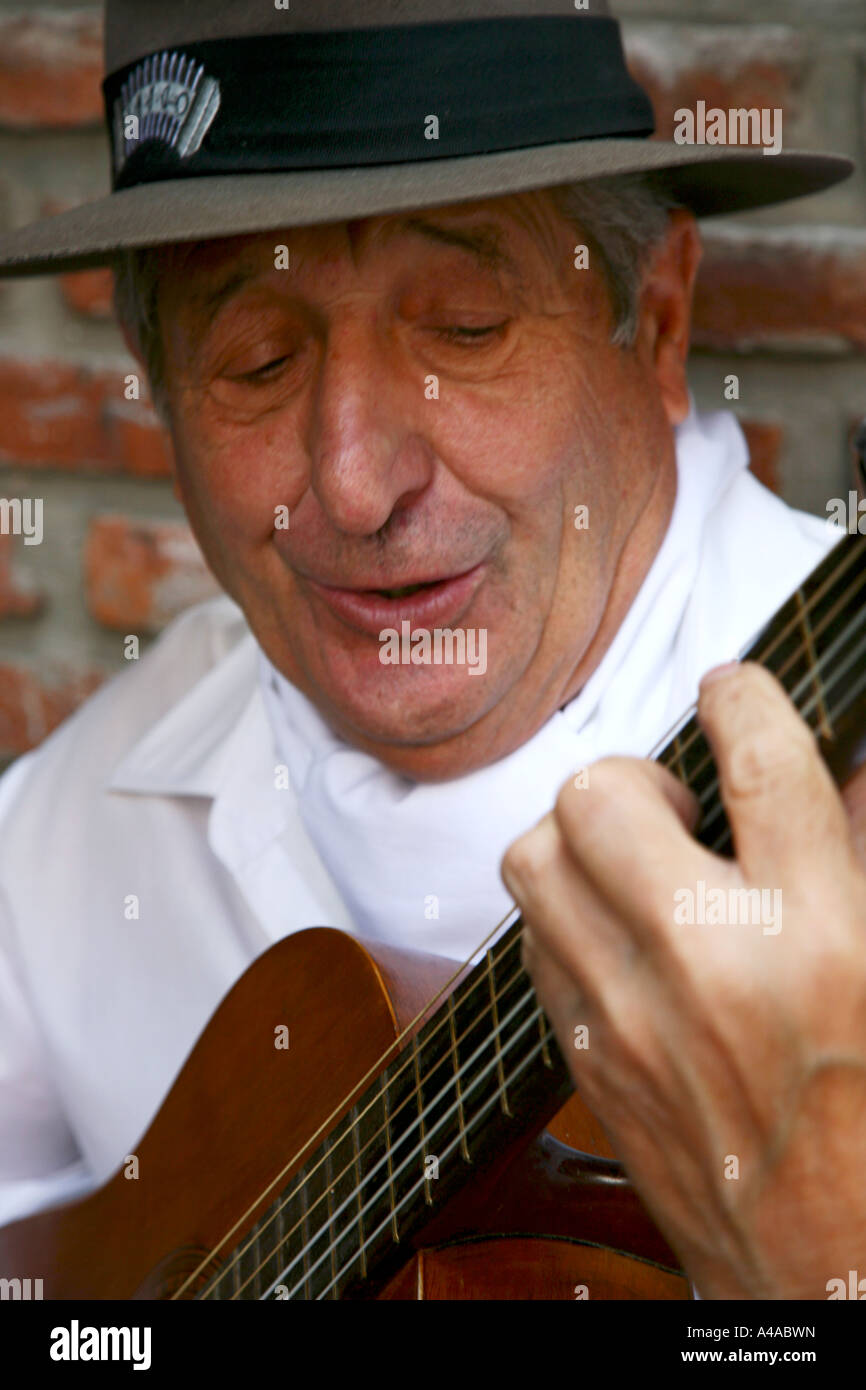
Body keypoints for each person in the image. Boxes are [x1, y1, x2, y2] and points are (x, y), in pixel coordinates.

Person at [0, 0, 861, 1298]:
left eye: (464, 328)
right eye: (257, 358)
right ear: (155, 374)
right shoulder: (68, 828)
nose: (354, 484)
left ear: (661, 321)